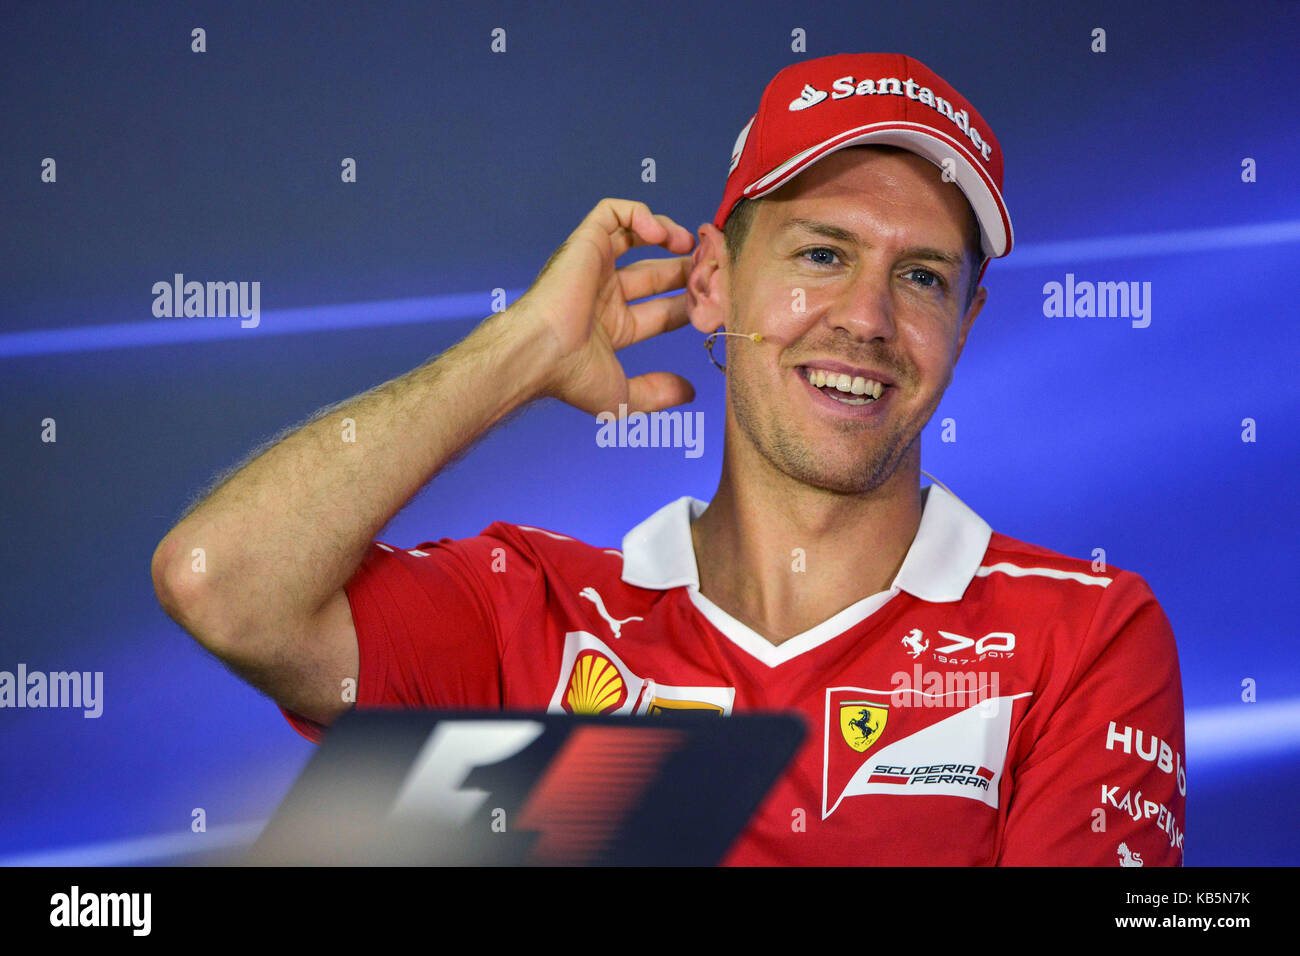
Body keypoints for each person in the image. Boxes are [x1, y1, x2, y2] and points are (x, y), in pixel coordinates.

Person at [151, 52, 1186, 865]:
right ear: (711, 286)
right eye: (820, 253)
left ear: (965, 323)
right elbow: (224, 583)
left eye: (920, 277)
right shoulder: (537, 615)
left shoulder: (1083, 633)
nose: (866, 318)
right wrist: (518, 354)